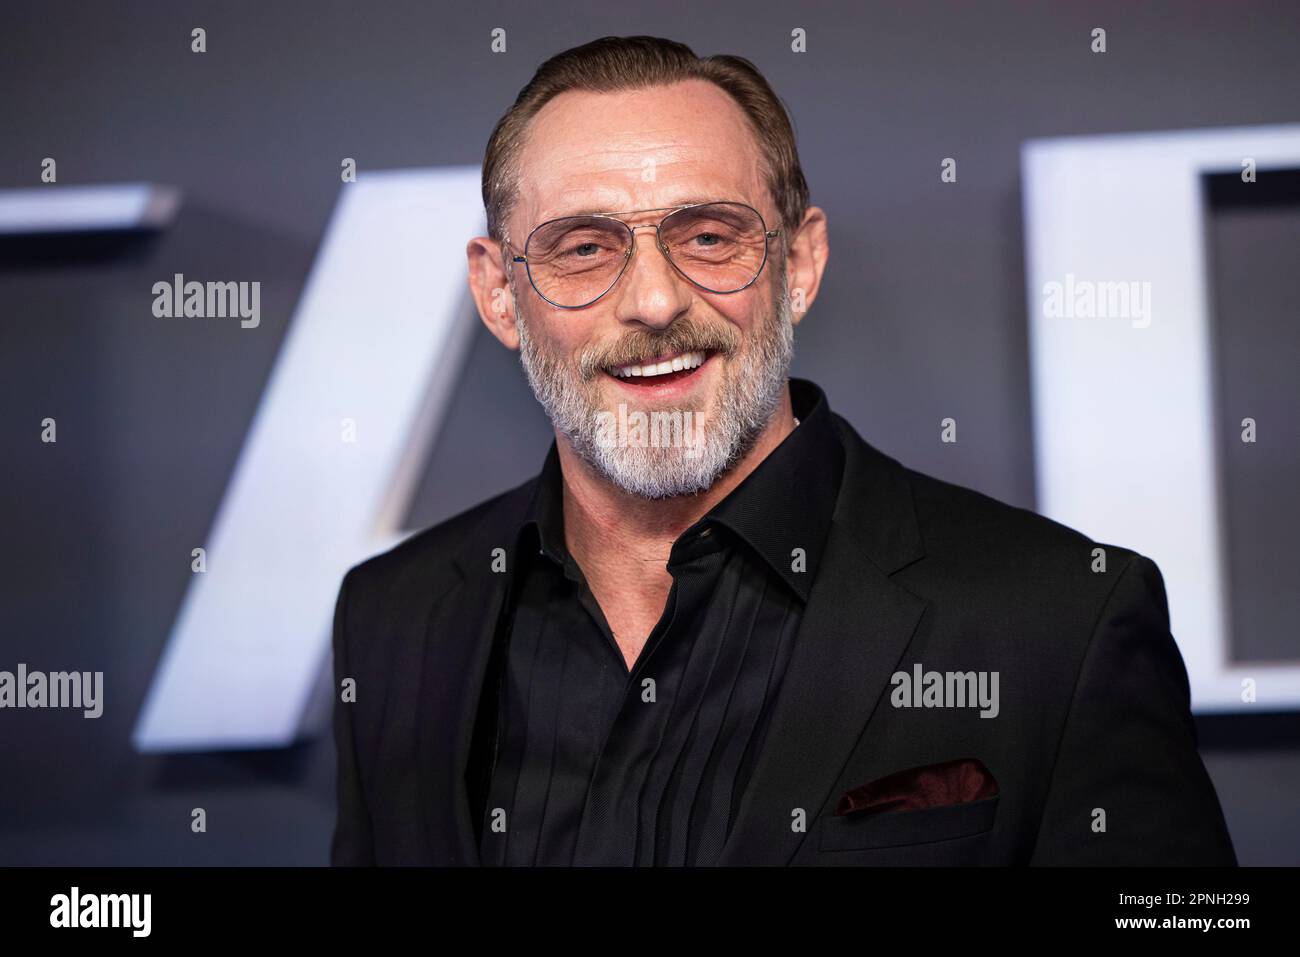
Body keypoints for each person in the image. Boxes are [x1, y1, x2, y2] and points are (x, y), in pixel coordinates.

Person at [329, 35, 1235, 866]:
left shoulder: (1059, 622)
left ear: (798, 265)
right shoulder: (395, 620)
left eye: (709, 237)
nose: (652, 302)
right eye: (584, 248)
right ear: (498, 294)